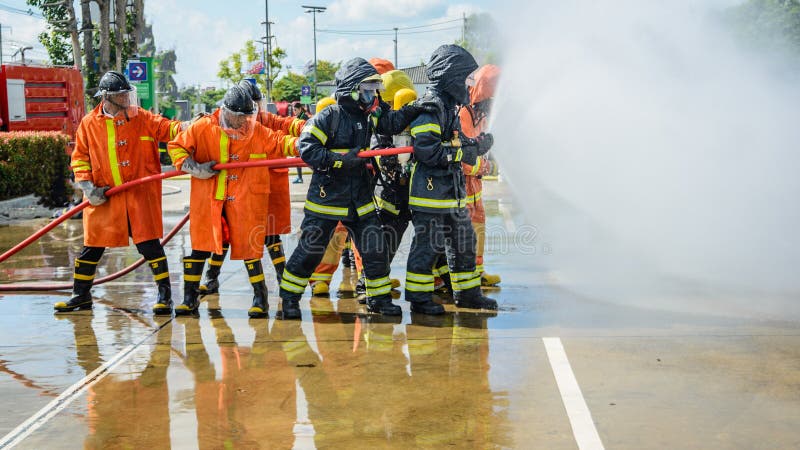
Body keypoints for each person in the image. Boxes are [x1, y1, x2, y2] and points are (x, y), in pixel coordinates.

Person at [277, 57, 425, 319]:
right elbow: (307, 147)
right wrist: (338, 161)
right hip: (328, 196)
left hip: (360, 197)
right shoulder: (329, 117)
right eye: (367, 90)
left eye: (374, 90)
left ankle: (379, 299)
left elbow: (392, 123)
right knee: (310, 250)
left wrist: (418, 107)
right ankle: (289, 300)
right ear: (350, 90)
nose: (372, 96)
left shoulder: (371, 115)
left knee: (375, 248)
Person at [55, 70, 183, 314]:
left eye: (127, 95)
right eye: (121, 96)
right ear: (107, 98)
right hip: (104, 198)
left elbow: (170, 129)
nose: (127, 100)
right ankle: (80, 295)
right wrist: (88, 187)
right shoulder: (89, 124)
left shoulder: (142, 118)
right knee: (92, 247)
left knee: (150, 246)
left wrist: (193, 125)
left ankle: (165, 297)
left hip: (138, 198)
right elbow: (80, 158)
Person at [167, 84, 299, 318]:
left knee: (250, 248)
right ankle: (189, 298)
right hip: (210, 201)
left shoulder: (255, 129)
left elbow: (280, 142)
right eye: (238, 117)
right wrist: (195, 169)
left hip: (243, 201)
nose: (242, 123)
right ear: (225, 111)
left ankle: (260, 298)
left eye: (246, 117)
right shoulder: (203, 127)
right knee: (200, 248)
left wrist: (302, 144)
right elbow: (176, 147)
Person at [404, 44, 497, 314]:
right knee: (426, 248)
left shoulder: (450, 107)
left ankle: (468, 294)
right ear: (450, 77)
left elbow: (456, 142)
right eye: (466, 78)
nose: (470, 84)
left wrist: (476, 144)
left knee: (464, 244)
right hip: (430, 195)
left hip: (452, 194)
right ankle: (419, 300)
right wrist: (464, 152)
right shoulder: (430, 109)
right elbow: (428, 151)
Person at [197, 80, 306, 295]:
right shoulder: (226, 123)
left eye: (257, 104)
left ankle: (282, 277)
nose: (255, 110)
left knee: (271, 234)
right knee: (226, 233)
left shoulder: (265, 120)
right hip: (236, 190)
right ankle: (212, 277)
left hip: (268, 188)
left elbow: (289, 125)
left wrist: (311, 127)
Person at [459, 64, 502, 287]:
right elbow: (463, 158)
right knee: (461, 233)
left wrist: (485, 163)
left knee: (478, 226)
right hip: (462, 186)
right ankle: (461, 277)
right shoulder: (463, 114)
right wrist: (481, 167)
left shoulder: (481, 116)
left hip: (475, 188)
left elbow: (480, 150)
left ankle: (478, 271)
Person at [292, 102, 310, 184]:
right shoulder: (299, 116)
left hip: (305, 141)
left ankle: (300, 178)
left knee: (306, 160)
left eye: (295, 110)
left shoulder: (304, 117)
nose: (294, 112)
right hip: (300, 140)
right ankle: (300, 178)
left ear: (299, 109)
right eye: (293, 110)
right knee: (298, 159)